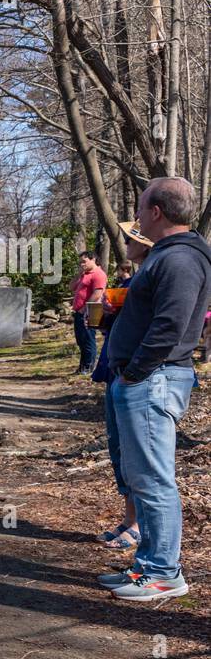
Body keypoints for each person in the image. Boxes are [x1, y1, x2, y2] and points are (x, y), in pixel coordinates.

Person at [99, 177, 211, 601]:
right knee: (141, 477)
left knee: (153, 478)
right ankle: (147, 565)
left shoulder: (181, 259)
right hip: (147, 377)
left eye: (142, 208)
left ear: (157, 212)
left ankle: (164, 572)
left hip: (154, 378)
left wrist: (136, 371)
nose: (138, 216)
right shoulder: (169, 256)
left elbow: (172, 325)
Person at [93, 220, 153, 552]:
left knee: (133, 452)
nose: (126, 240)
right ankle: (129, 517)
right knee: (119, 449)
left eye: (133, 236)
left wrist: (133, 372)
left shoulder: (151, 277)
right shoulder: (131, 281)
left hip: (135, 375)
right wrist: (109, 314)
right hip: (117, 370)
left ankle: (137, 523)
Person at [70, 251, 107, 374]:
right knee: (81, 340)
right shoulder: (84, 274)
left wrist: (85, 308)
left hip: (90, 311)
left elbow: (97, 293)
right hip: (79, 312)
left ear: (93, 259)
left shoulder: (98, 274)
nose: (82, 264)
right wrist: (79, 274)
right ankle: (82, 366)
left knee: (88, 339)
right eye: (80, 262)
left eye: (84, 261)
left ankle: (88, 367)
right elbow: (71, 287)